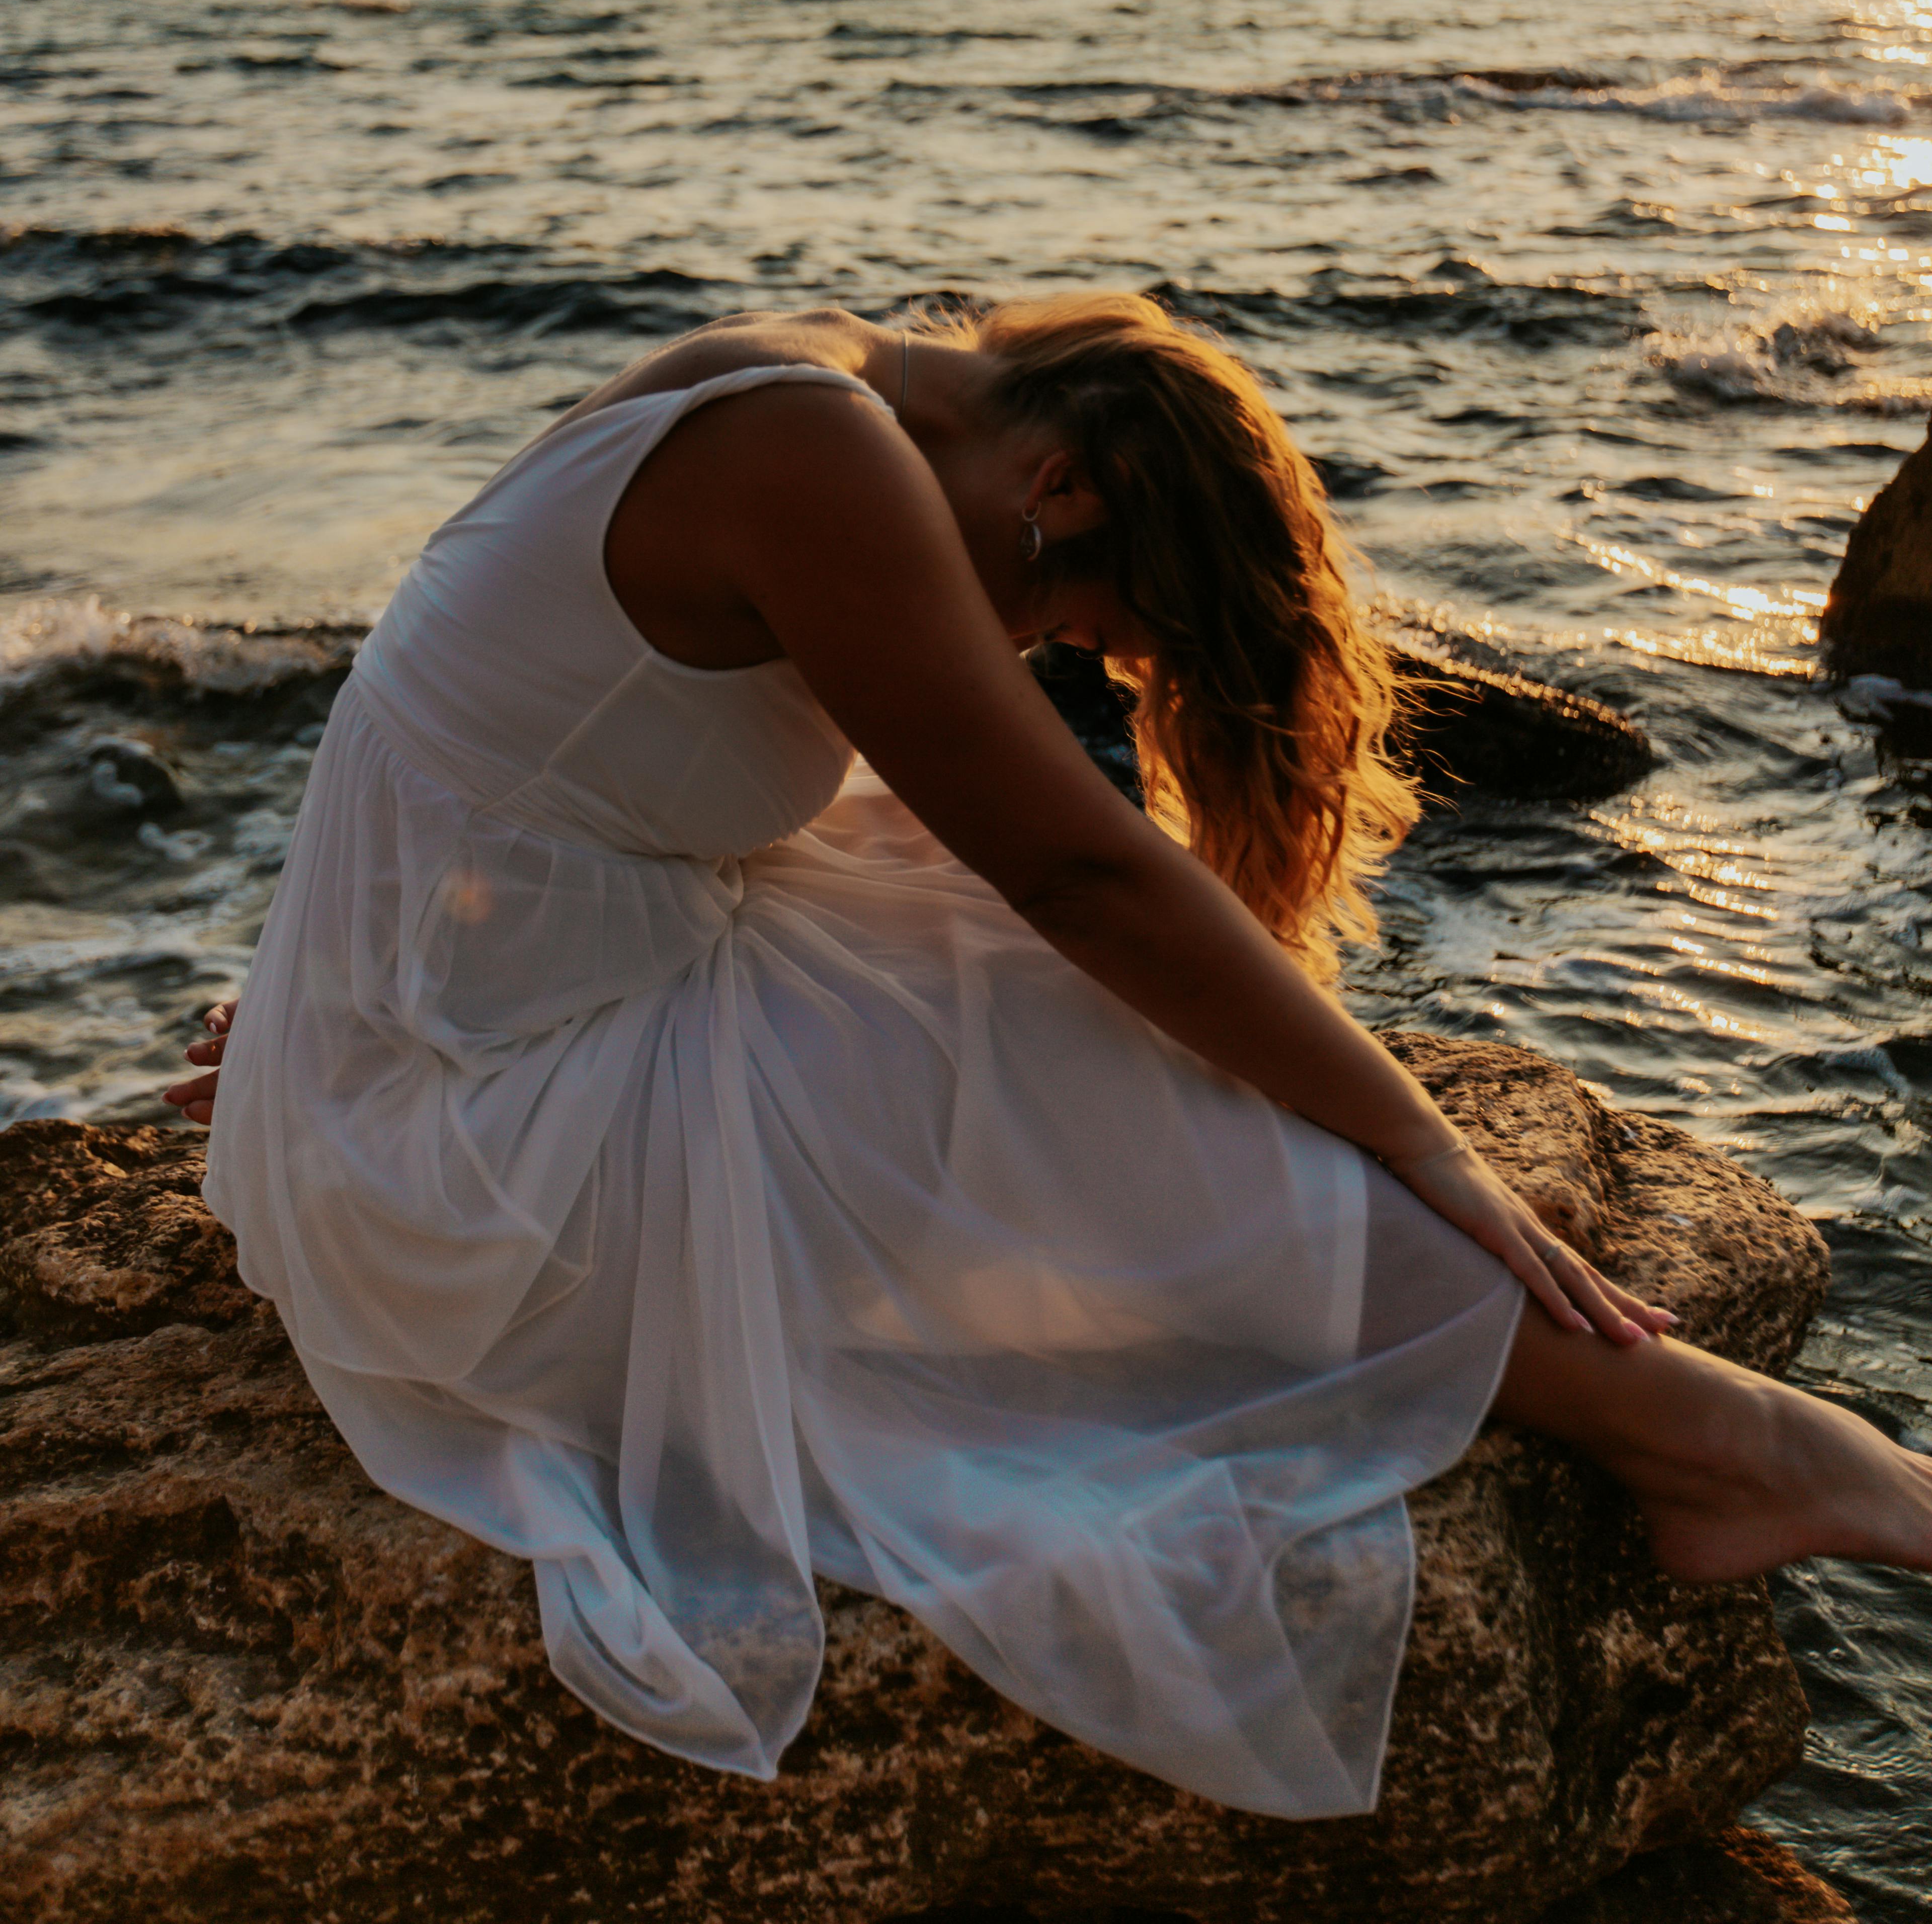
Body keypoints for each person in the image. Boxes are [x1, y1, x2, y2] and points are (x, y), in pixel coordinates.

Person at [171, 295, 1932, 1819]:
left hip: (441, 1060)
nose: (1033, 647)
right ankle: (1705, 1439)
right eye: (1072, 622)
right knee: (1035, 981)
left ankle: (1694, 1430)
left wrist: (330, 1009)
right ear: (1062, 487)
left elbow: (495, 761)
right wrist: (1427, 1141)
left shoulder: (800, 377)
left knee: (976, 939)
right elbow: (1081, 875)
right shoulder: (810, 452)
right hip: (470, 1160)